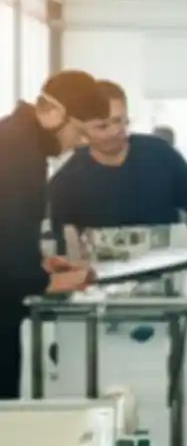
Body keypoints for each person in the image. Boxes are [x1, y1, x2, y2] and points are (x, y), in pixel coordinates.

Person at [0, 71, 106, 399]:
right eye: (80, 132)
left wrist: (39, 263)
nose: (80, 144)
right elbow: (9, 232)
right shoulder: (18, 151)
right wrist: (46, 281)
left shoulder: (19, 140)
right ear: (55, 114)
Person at [50, 81, 187, 254]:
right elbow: (64, 252)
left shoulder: (159, 152)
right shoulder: (65, 184)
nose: (114, 131)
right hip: (104, 276)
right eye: (102, 126)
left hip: (166, 267)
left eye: (118, 121)